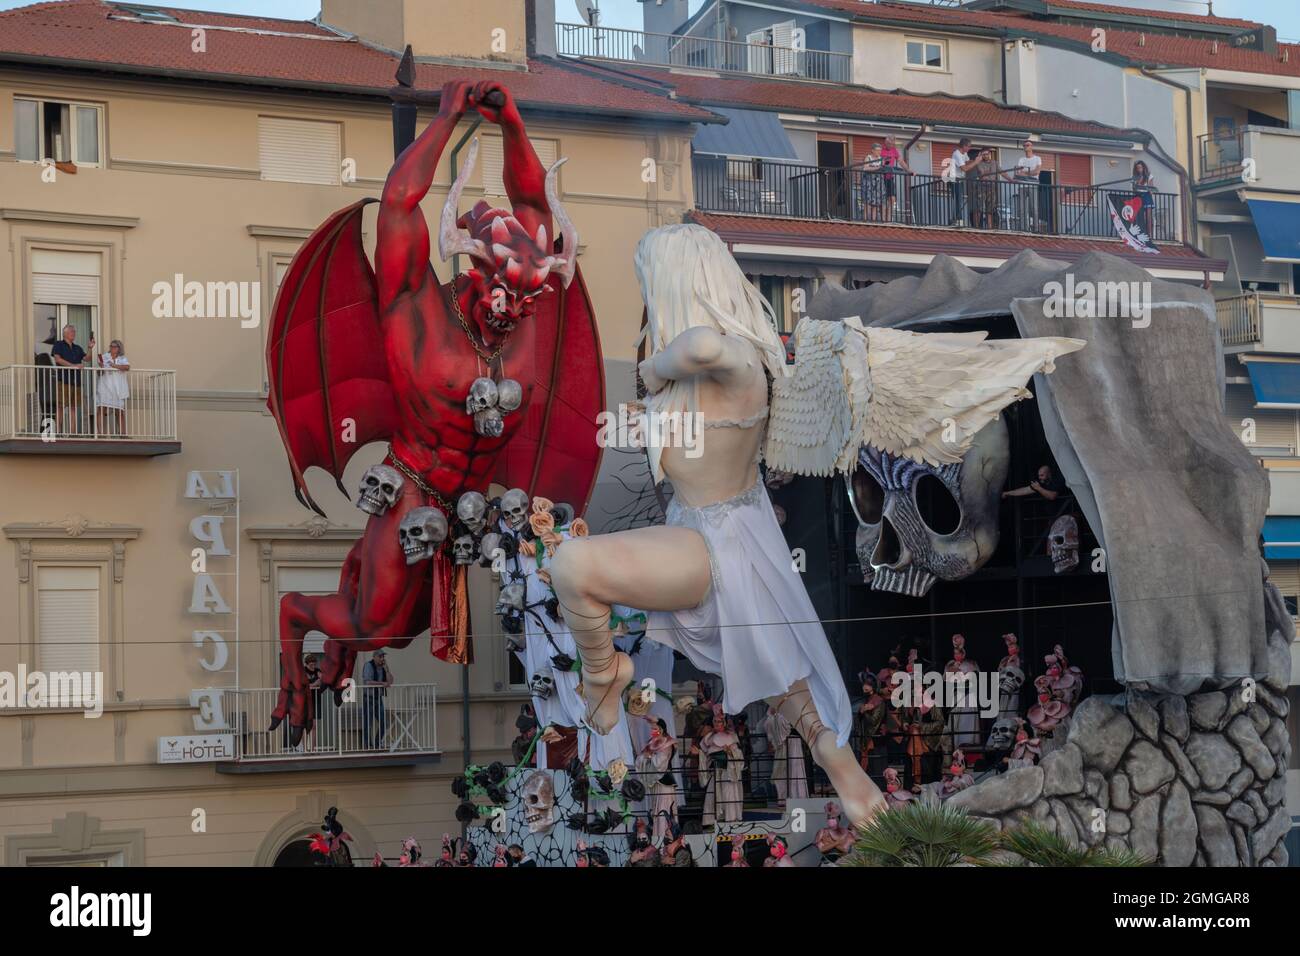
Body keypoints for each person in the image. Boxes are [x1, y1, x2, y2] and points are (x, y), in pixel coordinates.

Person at [549, 223, 886, 827]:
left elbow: (703, 345)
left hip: (718, 540)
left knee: (571, 565)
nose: (647, 300)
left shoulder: (740, 363)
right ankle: (845, 771)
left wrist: (652, 368)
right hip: (696, 534)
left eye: (652, 284)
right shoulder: (694, 381)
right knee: (777, 672)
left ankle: (605, 674)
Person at [50, 324, 93, 434]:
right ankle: (58, 433)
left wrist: (90, 348)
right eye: (72, 331)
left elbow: (87, 358)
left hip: (76, 382)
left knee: (73, 408)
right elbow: (58, 359)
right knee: (60, 406)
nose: (74, 333)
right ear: (65, 333)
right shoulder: (58, 344)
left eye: (74, 331)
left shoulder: (77, 348)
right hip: (63, 380)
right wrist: (73, 366)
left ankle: (72, 433)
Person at [94, 338, 130, 436]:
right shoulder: (104, 357)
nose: (112, 348)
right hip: (105, 385)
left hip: (118, 387)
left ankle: (123, 434)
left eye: (114, 346)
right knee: (101, 409)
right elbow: (99, 373)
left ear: (119, 348)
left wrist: (114, 365)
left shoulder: (122, 358)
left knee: (119, 411)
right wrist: (101, 367)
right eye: (111, 346)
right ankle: (101, 433)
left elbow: (127, 367)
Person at [1008, 140, 1043, 232]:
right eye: (1024, 145)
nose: (1025, 147)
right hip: (1022, 186)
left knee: (1034, 208)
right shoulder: (1021, 159)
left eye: (1027, 145)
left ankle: (1036, 229)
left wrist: (1025, 173)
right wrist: (1028, 173)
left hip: (1033, 185)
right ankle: (1023, 228)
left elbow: (1037, 171)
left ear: (1032, 147)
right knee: (1022, 209)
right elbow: (1018, 173)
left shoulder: (1037, 158)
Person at [362, 649, 392, 749]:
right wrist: (382, 684)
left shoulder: (383, 667)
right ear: (374, 657)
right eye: (380, 656)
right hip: (369, 698)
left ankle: (377, 743)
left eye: (383, 656)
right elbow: (368, 682)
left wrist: (387, 670)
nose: (382, 658)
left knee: (384, 723)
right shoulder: (368, 665)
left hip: (378, 698)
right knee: (368, 723)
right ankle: (368, 745)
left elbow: (390, 682)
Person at [880, 134, 913, 222]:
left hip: (890, 177)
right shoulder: (880, 149)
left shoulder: (894, 150)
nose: (890, 146)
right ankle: (884, 220)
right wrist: (882, 163)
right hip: (880, 177)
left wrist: (908, 170)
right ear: (885, 142)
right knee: (883, 199)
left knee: (892, 198)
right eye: (888, 144)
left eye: (891, 144)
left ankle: (889, 219)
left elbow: (901, 161)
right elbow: (876, 161)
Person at [948, 137, 979, 226]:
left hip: (959, 180)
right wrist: (976, 162)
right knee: (958, 200)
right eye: (968, 146)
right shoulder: (957, 154)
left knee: (959, 200)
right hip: (954, 180)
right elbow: (964, 168)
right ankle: (958, 220)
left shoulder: (964, 153)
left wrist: (976, 159)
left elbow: (967, 162)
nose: (969, 148)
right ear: (963, 146)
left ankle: (958, 219)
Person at [969, 148, 999, 229]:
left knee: (990, 209)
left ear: (990, 154)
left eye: (986, 154)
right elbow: (983, 174)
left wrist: (1010, 179)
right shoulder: (979, 163)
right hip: (981, 187)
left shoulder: (995, 163)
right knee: (979, 208)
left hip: (991, 187)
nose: (985, 156)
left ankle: (990, 227)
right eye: (983, 154)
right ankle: (977, 227)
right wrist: (989, 173)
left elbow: (1001, 172)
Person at [861, 141, 886, 222]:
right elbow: (865, 168)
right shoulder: (868, 158)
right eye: (877, 150)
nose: (879, 152)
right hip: (869, 182)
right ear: (872, 150)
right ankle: (865, 220)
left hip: (878, 183)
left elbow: (883, 169)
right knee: (867, 202)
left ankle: (873, 221)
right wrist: (877, 168)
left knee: (876, 203)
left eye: (880, 150)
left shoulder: (881, 159)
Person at [1132, 160, 1157, 239]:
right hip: (1138, 195)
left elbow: (1151, 188)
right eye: (1137, 168)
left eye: (1140, 167)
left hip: (1146, 195)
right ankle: (1139, 233)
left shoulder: (1149, 176)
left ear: (1143, 167)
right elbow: (1134, 189)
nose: (1139, 169)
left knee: (1148, 216)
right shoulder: (1135, 177)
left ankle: (1149, 234)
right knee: (1138, 215)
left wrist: (1151, 190)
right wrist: (1138, 182)